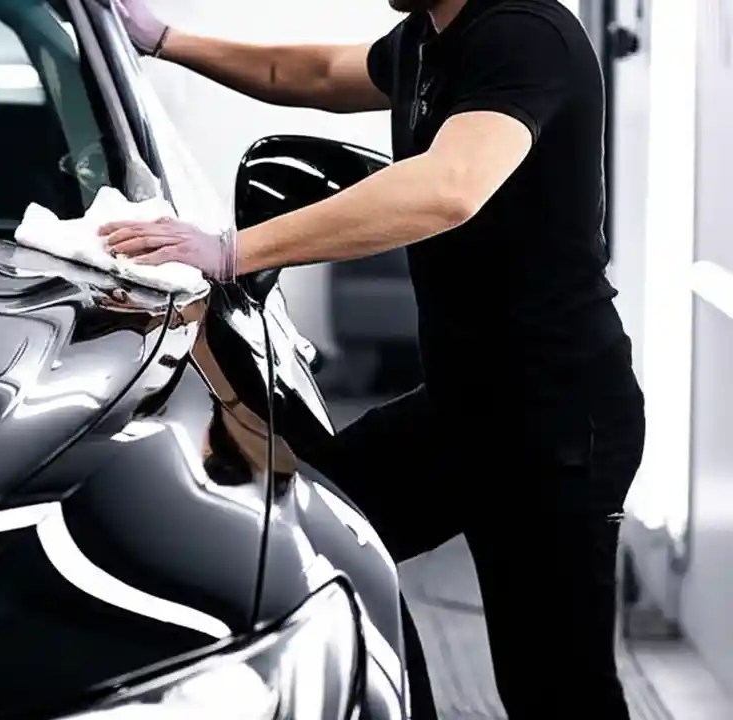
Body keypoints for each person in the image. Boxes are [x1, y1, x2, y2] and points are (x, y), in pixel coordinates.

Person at [99, 0, 647, 718]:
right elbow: (314, 71)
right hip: (465, 410)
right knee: (306, 541)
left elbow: (450, 188)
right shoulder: (426, 38)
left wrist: (232, 251)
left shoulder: (525, 34)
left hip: (557, 422)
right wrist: (166, 41)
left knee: (556, 689)